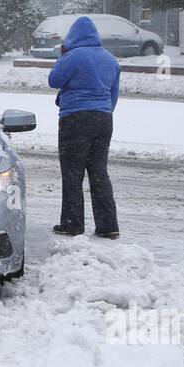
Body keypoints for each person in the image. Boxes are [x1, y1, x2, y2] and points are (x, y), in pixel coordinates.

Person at [47, 15, 120, 238]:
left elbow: (54, 80)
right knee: (99, 172)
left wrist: (62, 58)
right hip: (104, 119)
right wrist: (102, 112)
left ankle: (72, 224)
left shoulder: (73, 57)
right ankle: (108, 226)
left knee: (72, 173)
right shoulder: (110, 60)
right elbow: (113, 95)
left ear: (72, 37)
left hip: (75, 119)